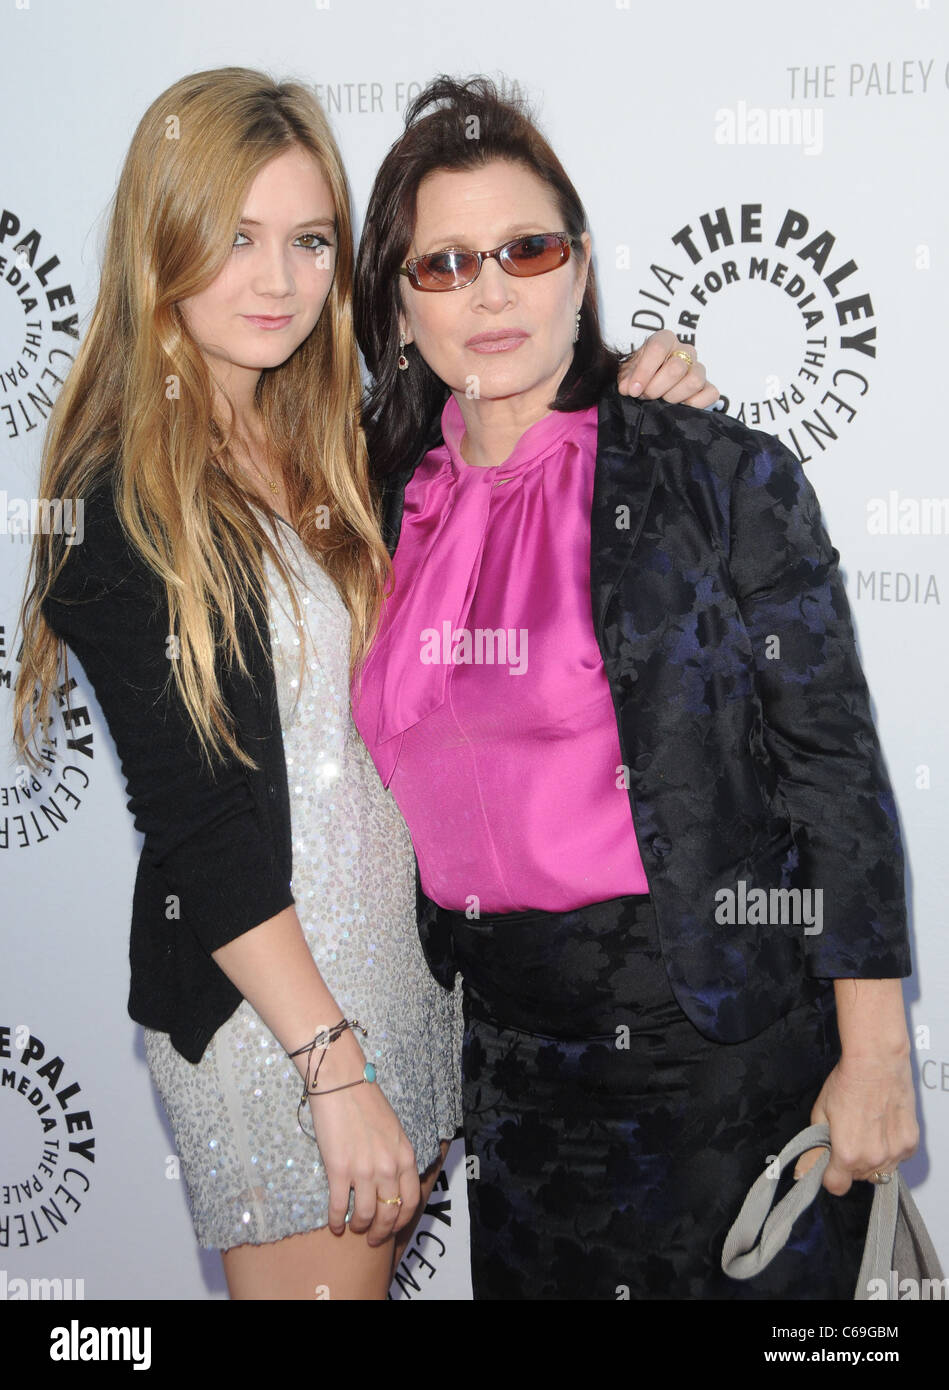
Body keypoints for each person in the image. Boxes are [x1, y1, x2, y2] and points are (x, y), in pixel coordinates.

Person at [12, 66, 707, 1301]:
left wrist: (634, 415)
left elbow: (515, 447)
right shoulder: (119, 503)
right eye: (234, 238)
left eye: (309, 241)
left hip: (407, 981)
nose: (276, 281)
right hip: (279, 1020)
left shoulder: (338, 442)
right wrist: (330, 1066)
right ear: (159, 238)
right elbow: (201, 825)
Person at [351, 75, 920, 1301]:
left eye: (524, 247)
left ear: (579, 267)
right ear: (399, 312)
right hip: (506, 1064)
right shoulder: (377, 507)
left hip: (711, 1048)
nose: (491, 288)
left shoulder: (713, 473)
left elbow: (830, 764)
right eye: (443, 264)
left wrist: (875, 1048)